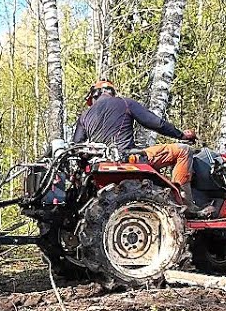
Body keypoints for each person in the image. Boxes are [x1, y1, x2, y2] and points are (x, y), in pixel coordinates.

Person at [70, 80, 216, 218]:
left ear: (95, 96)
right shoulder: (124, 103)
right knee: (183, 150)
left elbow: (76, 145)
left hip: (101, 164)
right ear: (111, 92)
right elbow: (156, 123)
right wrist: (181, 135)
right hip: (127, 158)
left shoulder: (85, 116)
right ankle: (187, 205)